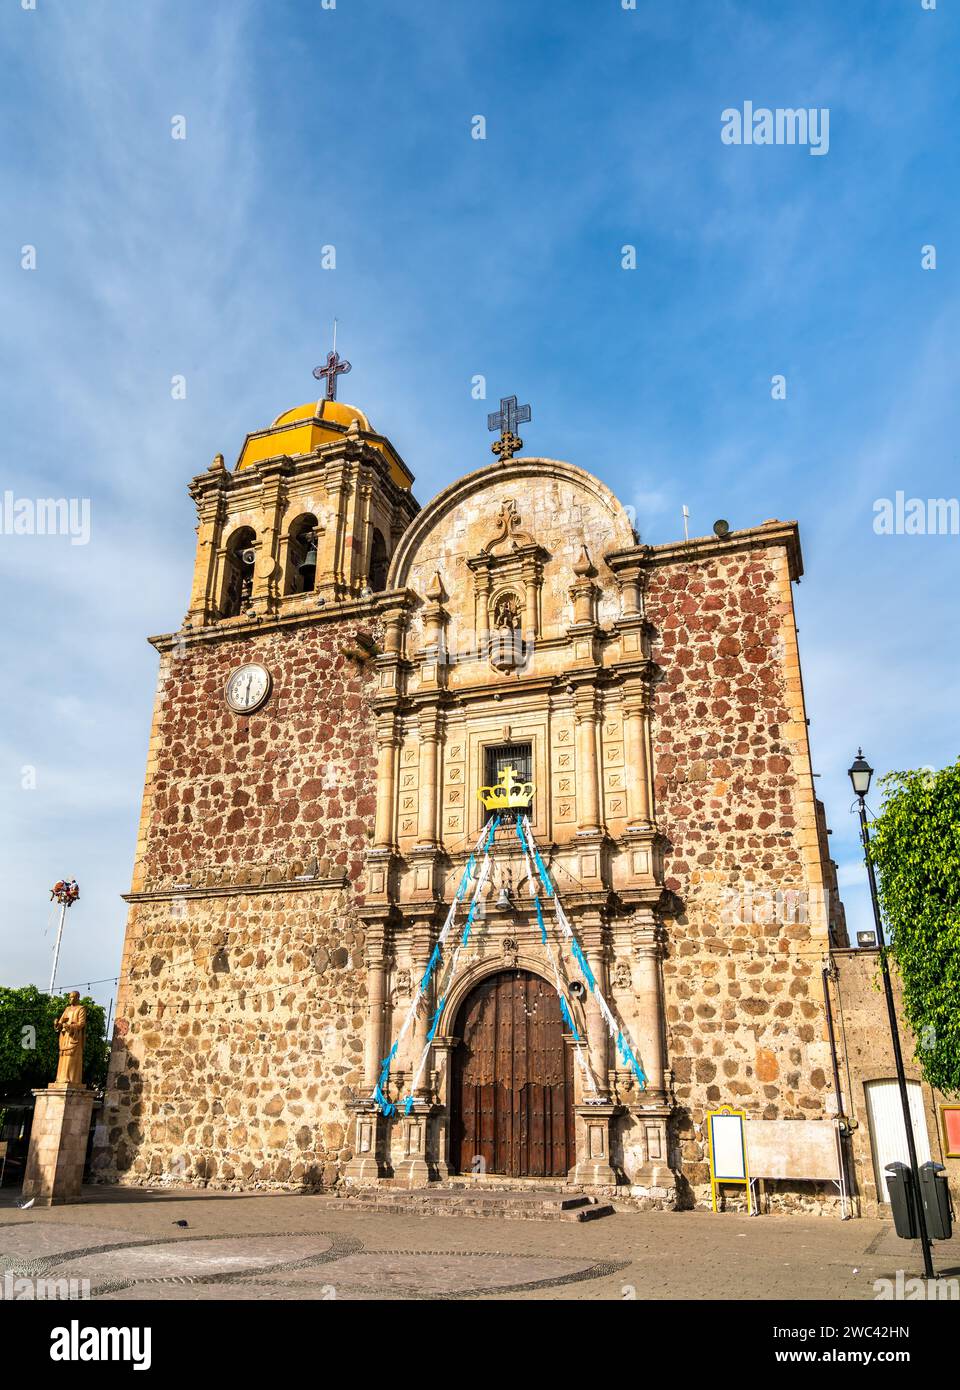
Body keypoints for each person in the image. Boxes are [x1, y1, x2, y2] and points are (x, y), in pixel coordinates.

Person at [53, 991, 86, 1087]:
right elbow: (60, 1022)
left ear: (77, 998)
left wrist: (70, 1027)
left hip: (74, 1037)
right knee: (63, 1058)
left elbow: (81, 1023)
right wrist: (57, 1024)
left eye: (72, 997)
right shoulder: (67, 1009)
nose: (70, 999)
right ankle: (60, 1079)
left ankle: (71, 1079)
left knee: (71, 1059)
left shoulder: (81, 1009)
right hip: (65, 1037)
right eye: (70, 997)